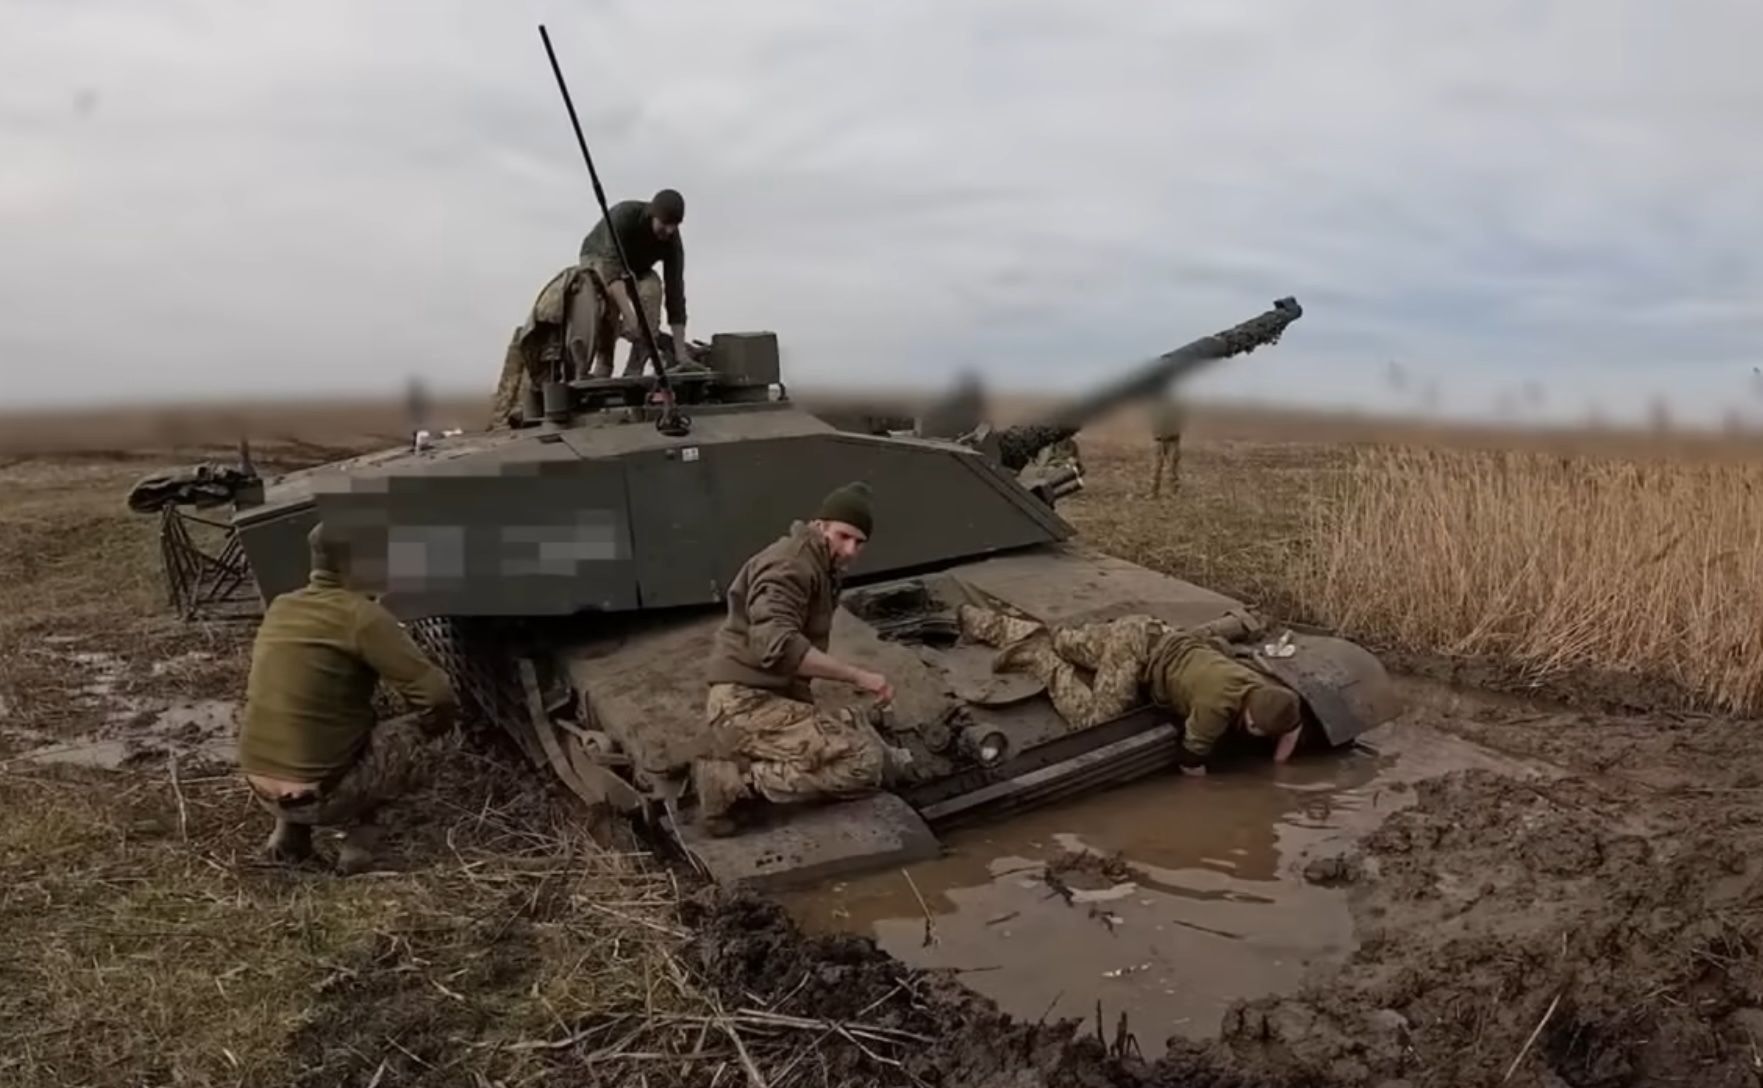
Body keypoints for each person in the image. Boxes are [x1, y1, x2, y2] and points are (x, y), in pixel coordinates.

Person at [237, 522, 458, 873]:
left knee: (308, 712)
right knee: (423, 732)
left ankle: (289, 838)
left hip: (259, 784)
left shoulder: (283, 605)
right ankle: (361, 847)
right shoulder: (361, 616)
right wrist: (432, 728)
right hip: (324, 796)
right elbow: (437, 697)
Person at [692, 482, 907, 835]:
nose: (850, 550)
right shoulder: (789, 565)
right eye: (843, 536)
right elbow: (777, 644)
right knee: (862, 762)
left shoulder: (817, 563)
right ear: (820, 525)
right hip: (743, 703)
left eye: (859, 542)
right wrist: (858, 676)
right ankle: (734, 782)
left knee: (854, 721)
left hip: (768, 695)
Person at [958, 605, 1301, 774]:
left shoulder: (1254, 682)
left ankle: (982, 621)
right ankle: (1038, 659)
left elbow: (1292, 725)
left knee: (1062, 640)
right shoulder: (1215, 707)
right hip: (1135, 655)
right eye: (1257, 729)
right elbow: (1191, 763)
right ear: (1251, 719)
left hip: (1146, 629)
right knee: (1092, 718)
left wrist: (1280, 766)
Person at [569, 188, 692, 379]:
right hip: (598, 256)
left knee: (652, 289)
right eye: (665, 224)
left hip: (636, 267)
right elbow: (611, 272)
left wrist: (681, 352)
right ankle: (604, 363)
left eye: (674, 225)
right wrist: (630, 316)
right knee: (607, 297)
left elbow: (675, 292)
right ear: (653, 216)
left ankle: (635, 367)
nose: (669, 230)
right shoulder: (624, 216)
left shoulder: (672, 242)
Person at [1149, 397, 1184, 498]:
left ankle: (1174, 492)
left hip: (1172, 441)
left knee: (1172, 468)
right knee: (1156, 468)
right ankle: (1153, 492)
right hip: (1159, 442)